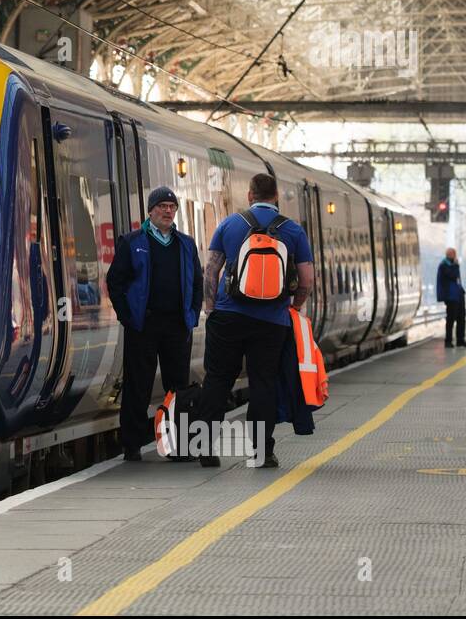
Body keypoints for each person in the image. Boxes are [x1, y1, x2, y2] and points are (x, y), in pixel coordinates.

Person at [198, 173, 316, 469]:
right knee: (264, 384)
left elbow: (211, 271)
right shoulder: (293, 231)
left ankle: (206, 449)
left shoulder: (229, 224)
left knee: (217, 380)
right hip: (272, 321)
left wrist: (211, 309)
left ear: (249, 195)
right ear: (276, 197)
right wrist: (295, 307)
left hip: (228, 317)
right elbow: (307, 279)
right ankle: (262, 451)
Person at [106, 186, 203, 462]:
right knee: (138, 385)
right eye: (161, 206)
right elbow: (115, 282)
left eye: (171, 207)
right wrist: (128, 316)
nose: (167, 211)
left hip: (176, 326)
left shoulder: (186, 244)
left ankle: (180, 445)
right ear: (150, 210)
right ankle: (132, 445)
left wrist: (192, 315)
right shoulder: (133, 242)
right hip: (143, 325)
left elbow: (197, 282)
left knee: (177, 388)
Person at [436, 248, 466, 348]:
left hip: (458, 294)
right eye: (454, 254)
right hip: (450, 296)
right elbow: (453, 275)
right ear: (449, 255)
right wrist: (456, 265)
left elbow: (457, 279)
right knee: (451, 319)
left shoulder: (451, 264)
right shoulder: (444, 265)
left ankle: (460, 340)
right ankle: (448, 341)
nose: (455, 256)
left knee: (461, 318)